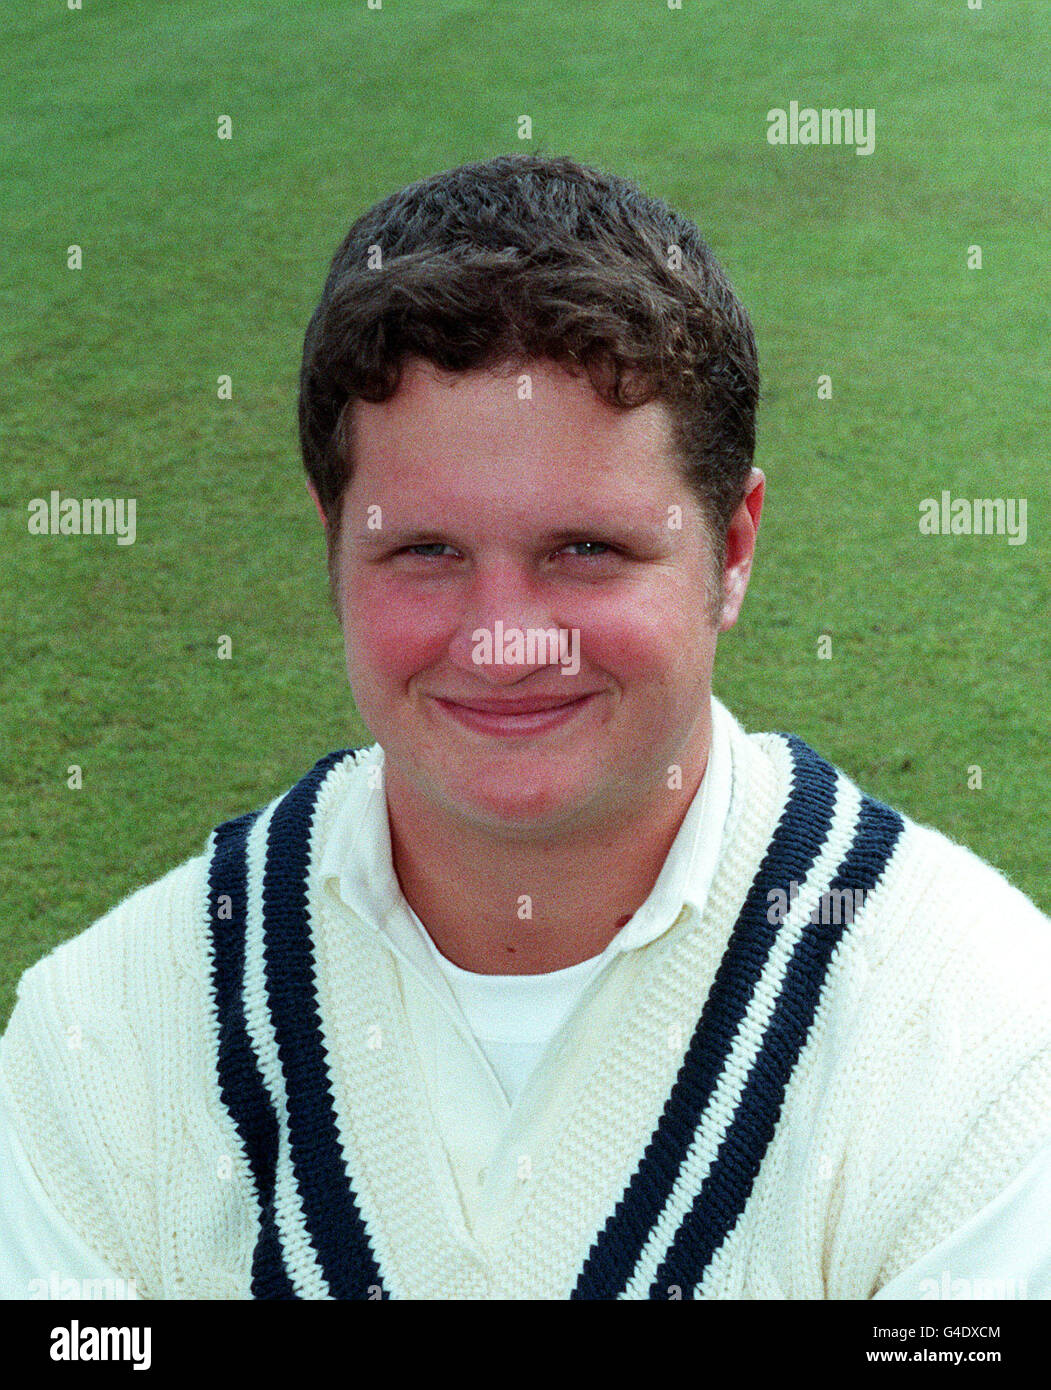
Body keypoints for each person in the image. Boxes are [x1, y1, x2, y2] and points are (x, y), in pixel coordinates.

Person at [2, 153, 1048, 1301]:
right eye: (426, 552)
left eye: (586, 550)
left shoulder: (982, 1031)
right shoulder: (100, 1031)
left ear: (733, 548)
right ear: (333, 545)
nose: (505, 640)